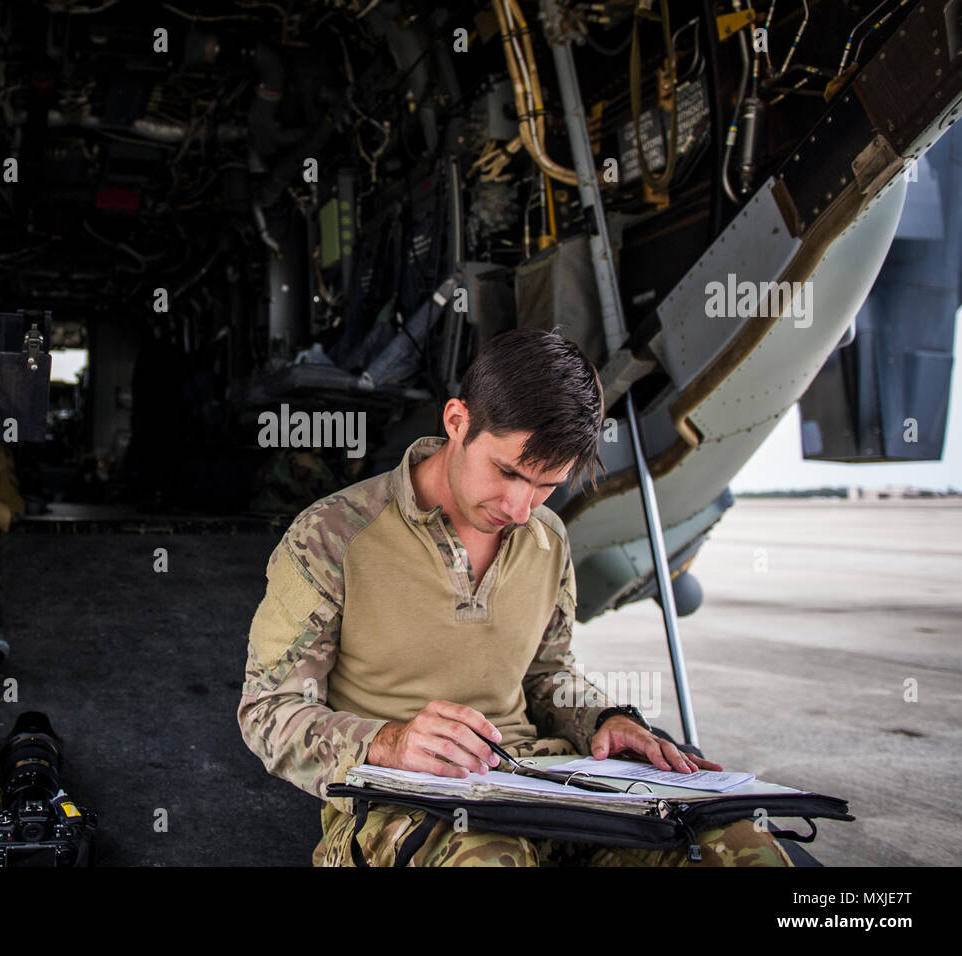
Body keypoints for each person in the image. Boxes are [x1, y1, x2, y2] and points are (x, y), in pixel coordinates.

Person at [236, 328, 792, 866]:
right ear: (458, 422)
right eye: (506, 472)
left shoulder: (547, 538)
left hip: (547, 787)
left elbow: (547, 675)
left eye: (547, 486)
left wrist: (603, 720)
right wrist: (387, 742)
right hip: (400, 805)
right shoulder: (332, 536)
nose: (521, 509)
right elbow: (267, 713)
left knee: (739, 844)